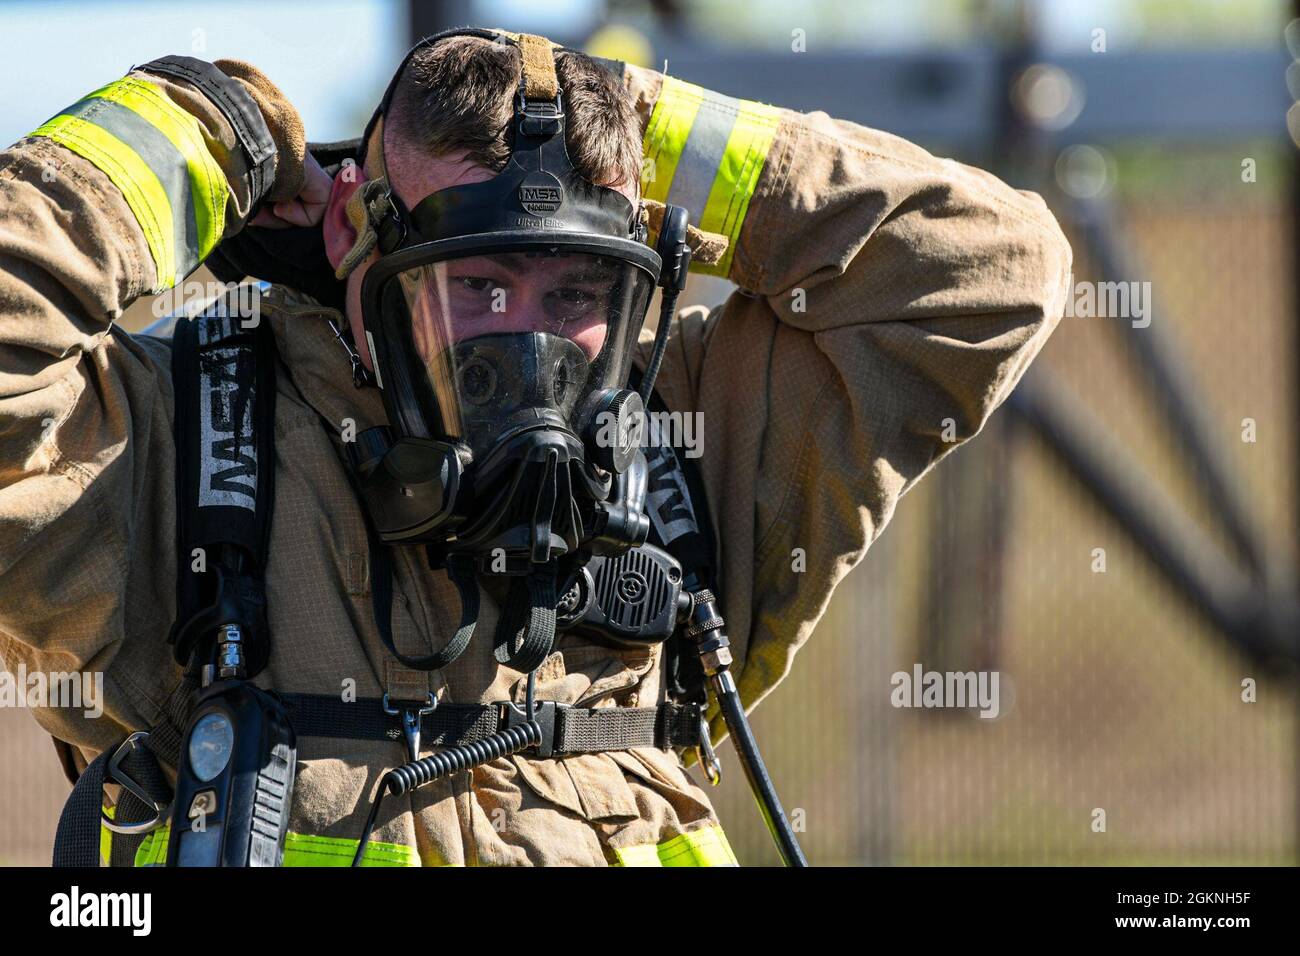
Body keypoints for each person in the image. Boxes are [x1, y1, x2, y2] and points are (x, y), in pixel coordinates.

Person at [0, 28, 1071, 866]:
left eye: (572, 291)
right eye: (477, 286)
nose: (529, 347)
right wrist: (205, 123)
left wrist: (636, 127)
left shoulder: (691, 441)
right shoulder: (171, 458)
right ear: (349, 242)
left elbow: (992, 269)